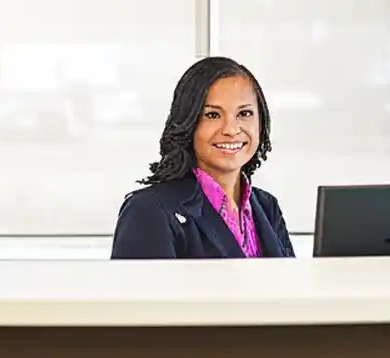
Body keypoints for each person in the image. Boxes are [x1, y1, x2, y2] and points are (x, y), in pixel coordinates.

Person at [110, 56, 295, 259]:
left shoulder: (267, 207)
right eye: (213, 115)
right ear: (188, 123)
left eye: (244, 113)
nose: (231, 130)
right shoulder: (148, 211)